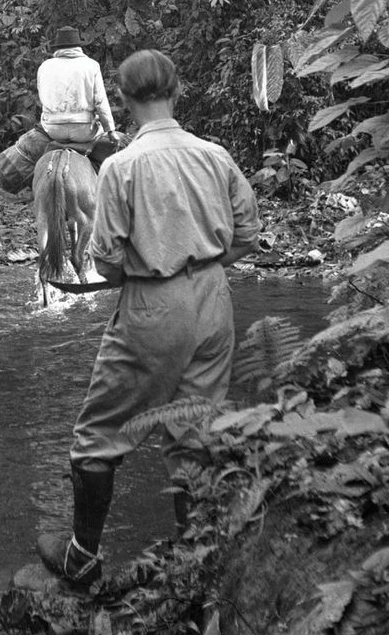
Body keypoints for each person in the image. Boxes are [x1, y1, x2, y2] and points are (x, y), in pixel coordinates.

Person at [37, 48, 261, 589]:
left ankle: (83, 557)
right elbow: (248, 234)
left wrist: (144, 271)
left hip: (151, 304)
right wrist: (203, 263)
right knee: (195, 431)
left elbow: (108, 259)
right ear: (177, 90)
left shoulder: (120, 166)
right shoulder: (215, 155)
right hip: (213, 300)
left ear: (124, 98)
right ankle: (195, 560)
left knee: (97, 436)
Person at [36, 27, 119, 147]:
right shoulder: (91, 65)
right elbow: (100, 102)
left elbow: (42, 97)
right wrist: (110, 130)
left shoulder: (44, 66)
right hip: (84, 130)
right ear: (78, 46)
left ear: (58, 47)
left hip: (53, 130)